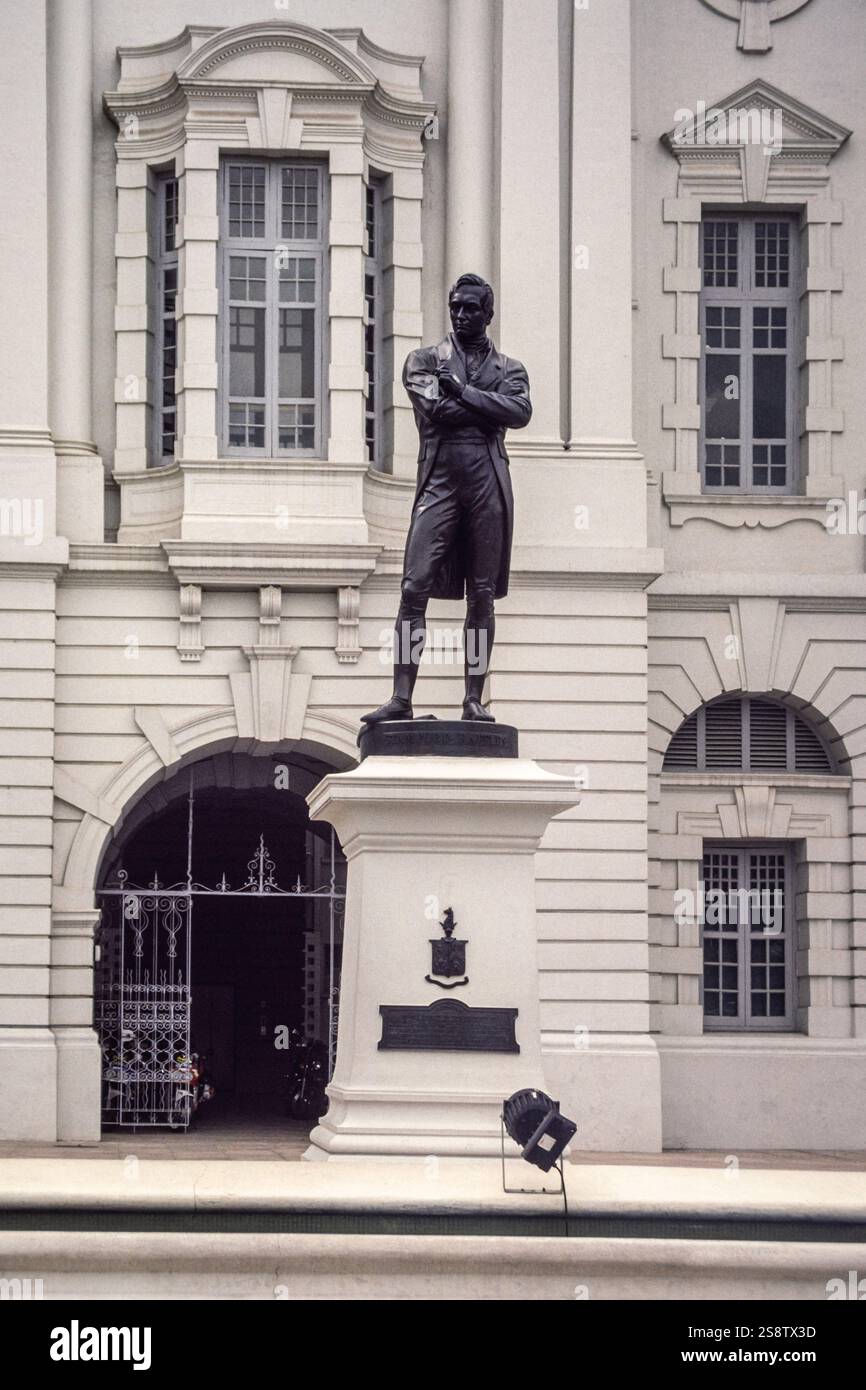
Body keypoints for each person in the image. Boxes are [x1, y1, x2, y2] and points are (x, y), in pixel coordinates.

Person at [361, 273, 532, 725]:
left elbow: (520, 413)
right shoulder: (422, 360)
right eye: (455, 306)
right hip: (440, 480)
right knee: (413, 587)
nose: (460, 314)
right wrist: (483, 405)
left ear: (488, 314)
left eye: (470, 307)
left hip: (487, 483)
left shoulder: (511, 369)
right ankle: (401, 696)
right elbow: (437, 410)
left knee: (481, 596)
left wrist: (462, 392)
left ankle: (473, 698)